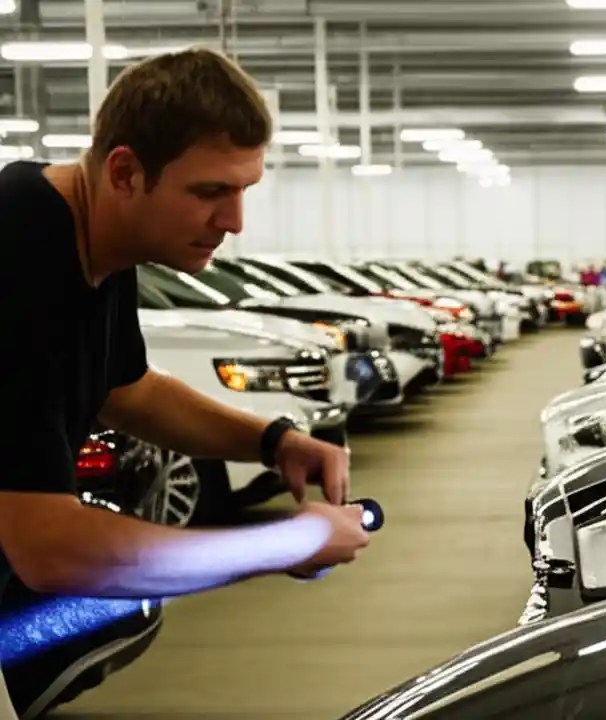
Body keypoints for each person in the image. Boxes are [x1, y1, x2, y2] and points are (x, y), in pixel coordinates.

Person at [0, 50, 370, 714]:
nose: (234, 222)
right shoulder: (17, 258)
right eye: (209, 193)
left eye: (243, 192)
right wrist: (285, 542)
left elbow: (129, 389)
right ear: (125, 172)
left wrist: (274, 441)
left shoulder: (96, 243)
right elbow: (48, 549)